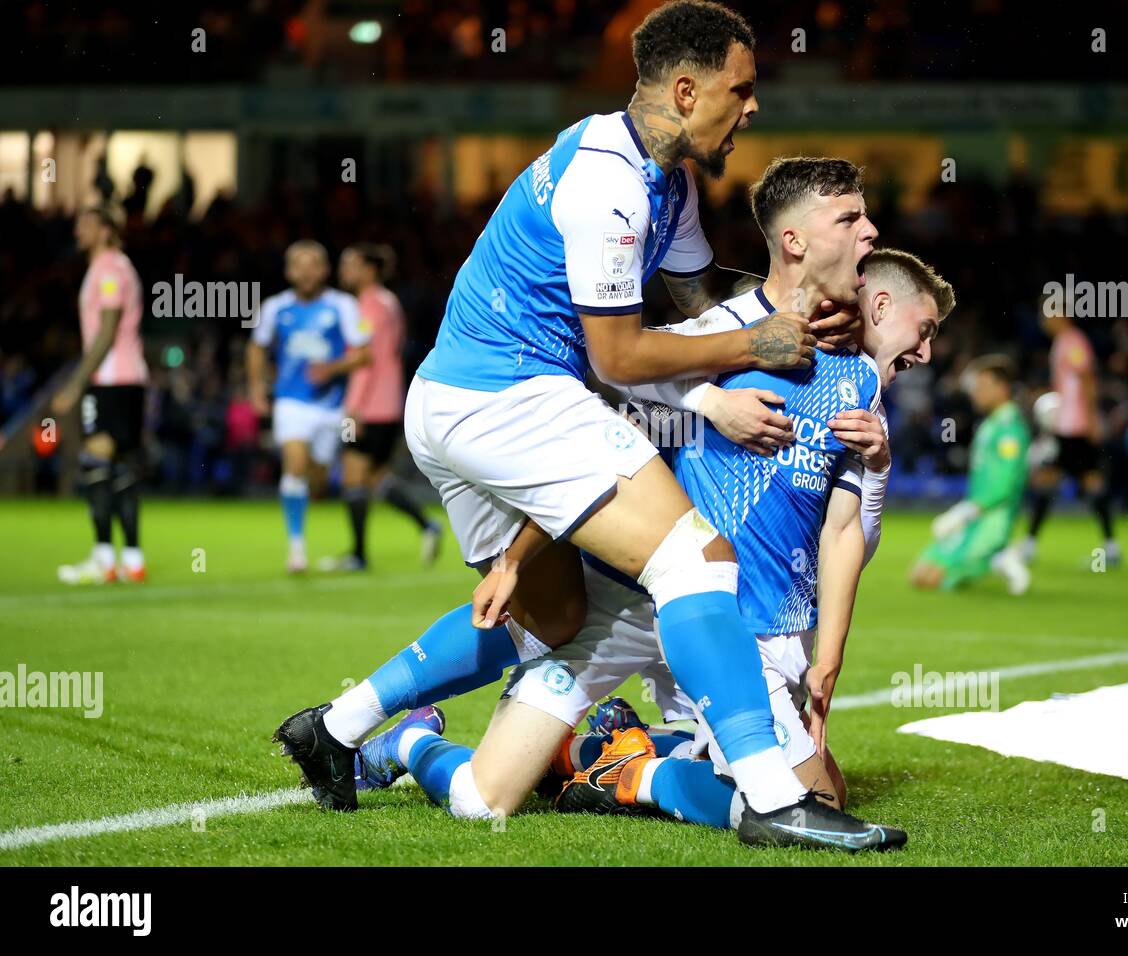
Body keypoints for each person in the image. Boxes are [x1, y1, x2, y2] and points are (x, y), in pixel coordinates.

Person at [273, 1, 878, 851]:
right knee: (697, 560)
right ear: (684, 87)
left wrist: (807, 313)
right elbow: (621, 359)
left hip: (449, 402)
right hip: (512, 398)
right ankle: (772, 798)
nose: (752, 108)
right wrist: (744, 358)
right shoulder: (611, 185)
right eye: (741, 90)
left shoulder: (662, 178)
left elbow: (701, 304)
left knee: (550, 614)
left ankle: (339, 728)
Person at [245, 241, 371, 573]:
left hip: (331, 407)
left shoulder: (343, 305)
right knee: (295, 465)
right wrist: (257, 388)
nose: (305, 271)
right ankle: (296, 548)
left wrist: (331, 369)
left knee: (316, 478)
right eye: (298, 264)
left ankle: (304, 506)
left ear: (325, 270)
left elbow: (364, 352)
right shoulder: (275, 307)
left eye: (313, 263)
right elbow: (256, 347)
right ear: (288, 271)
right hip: (291, 401)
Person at [319, 244, 442, 572]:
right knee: (375, 478)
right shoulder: (390, 303)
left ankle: (358, 555)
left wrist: (353, 408)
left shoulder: (366, 307)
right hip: (391, 404)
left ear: (369, 270)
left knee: (352, 478)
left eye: (351, 264)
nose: (344, 270)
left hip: (368, 408)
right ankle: (426, 525)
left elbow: (365, 361)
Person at [53, 204, 149, 585]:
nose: (79, 231)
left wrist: (76, 383)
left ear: (107, 231)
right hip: (131, 379)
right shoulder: (120, 266)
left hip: (111, 380)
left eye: (87, 224)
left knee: (95, 466)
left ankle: (104, 560)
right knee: (123, 470)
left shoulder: (108, 268)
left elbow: (106, 332)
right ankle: (133, 559)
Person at [912, 355, 1032, 595]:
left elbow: (1003, 485)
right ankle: (999, 557)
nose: (976, 393)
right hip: (973, 518)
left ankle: (999, 556)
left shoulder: (1010, 428)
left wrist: (964, 512)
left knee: (938, 581)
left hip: (991, 521)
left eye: (983, 387)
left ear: (1002, 388)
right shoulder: (990, 424)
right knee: (919, 576)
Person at [1017, 299, 1120, 567]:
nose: (1043, 320)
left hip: (1075, 426)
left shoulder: (1072, 341)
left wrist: (1092, 418)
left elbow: (1086, 379)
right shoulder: (1064, 341)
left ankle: (1029, 544)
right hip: (1069, 425)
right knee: (1079, 479)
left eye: (1046, 314)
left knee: (1062, 479)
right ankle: (1110, 546)